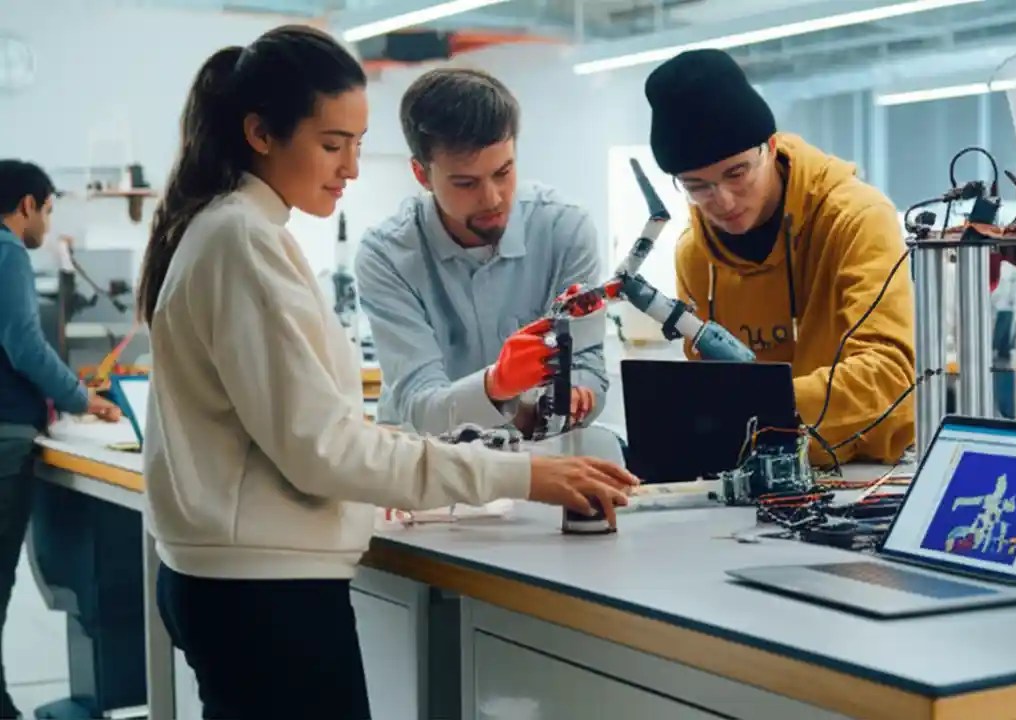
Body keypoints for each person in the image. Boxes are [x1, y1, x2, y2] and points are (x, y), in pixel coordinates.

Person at [137, 26, 636, 719]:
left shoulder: (235, 231)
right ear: (259, 133)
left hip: (249, 588)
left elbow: (319, 437)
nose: (348, 169)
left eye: (357, 145)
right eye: (331, 145)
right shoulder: (243, 241)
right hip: (264, 595)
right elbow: (326, 450)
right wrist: (525, 474)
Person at [644, 49, 915, 465]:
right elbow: (708, 394)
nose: (724, 201)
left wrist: (762, 401)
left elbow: (890, 374)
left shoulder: (858, 219)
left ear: (769, 147)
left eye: (737, 173)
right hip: (763, 472)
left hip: (870, 470)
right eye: (698, 186)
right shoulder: (694, 255)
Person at [356, 67, 607, 439]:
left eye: (503, 172)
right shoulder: (387, 255)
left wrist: (574, 396)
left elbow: (588, 365)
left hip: (536, 450)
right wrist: (496, 385)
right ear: (422, 174)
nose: (491, 198)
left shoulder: (565, 230)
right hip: (425, 460)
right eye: (465, 182)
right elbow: (422, 403)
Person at [0, 159, 121, 719]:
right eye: (47, 211)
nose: (46, 226)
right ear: (27, 205)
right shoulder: (8, 253)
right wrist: (79, 397)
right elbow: (23, 343)